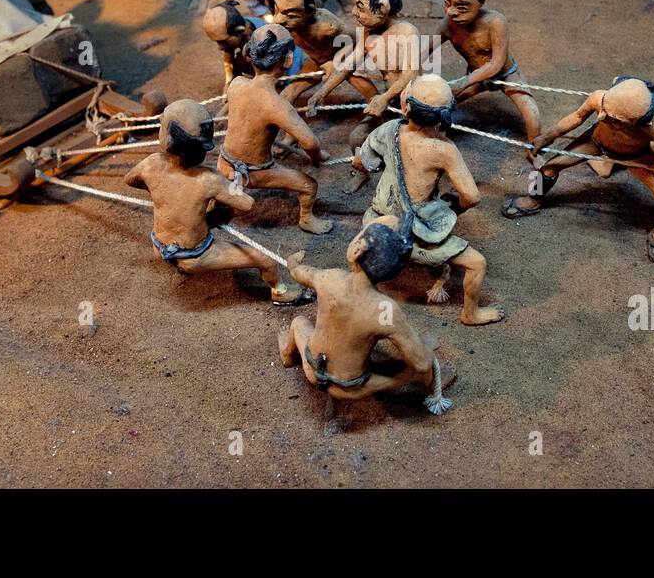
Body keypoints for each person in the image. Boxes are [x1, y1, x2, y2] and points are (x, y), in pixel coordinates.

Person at [124, 98, 311, 306]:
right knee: (265, 260)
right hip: (195, 257)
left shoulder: (151, 164)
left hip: (158, 247)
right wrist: (233, 183)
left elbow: (130, 180)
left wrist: (161, 192)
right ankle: (279, 291)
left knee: (203, 214)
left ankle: (180, 253)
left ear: (168, 138)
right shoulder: (209, 179)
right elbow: (247, 204)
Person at [353, 75, 505, 325]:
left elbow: (363, 162)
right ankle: (470, 313)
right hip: (416, 235)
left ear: (406, 106)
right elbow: (471, 196)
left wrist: (364, 161)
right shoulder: (444, 150)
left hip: (377, 223)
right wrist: (451, 207)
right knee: (477, 264)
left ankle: (362, 297)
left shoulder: (388, 129)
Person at [503, 77, 654, 265]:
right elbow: (577, 116)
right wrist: (549, 136)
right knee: (549, 168)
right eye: (604, 111)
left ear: (638, 121)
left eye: (614, 118)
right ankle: (534, 199)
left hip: (635, 156)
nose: (601, 116)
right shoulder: (600, 98)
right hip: (594, 142)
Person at [280, 217, 455, 413]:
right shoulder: (384, 309)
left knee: (299, 322)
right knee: (417, 372)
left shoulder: (329, 278)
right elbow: (422, 363)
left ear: (357, 251)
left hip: (313, 369)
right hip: (350, 387)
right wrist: (426, 347)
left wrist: (292, 262)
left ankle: (287, 356)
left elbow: (296, 272)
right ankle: (419, 384)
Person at [217, 24, 333, 235]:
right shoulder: (276, 105)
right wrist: (317, 156)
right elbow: (310, 143)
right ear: (288, 60)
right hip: (252, 174)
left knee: (221, 187)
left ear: (248, 54)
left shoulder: (236, 84)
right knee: (309, 185)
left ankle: (218, 201)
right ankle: (306, 219)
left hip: (224, 164)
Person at [306, 0, 421, 152]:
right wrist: (321, 92)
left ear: (383, 7)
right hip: (390, 100)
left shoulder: (407, 33)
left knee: (405, 147)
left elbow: (410, 75)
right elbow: (349, 64)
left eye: (360, 8)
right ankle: (363, 173)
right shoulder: (367, 30)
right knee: (357, 138)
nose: (353, 13)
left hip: (415, 102)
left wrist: (384, 98)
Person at [433, 0, 540, 142]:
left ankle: (535, 153)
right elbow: (421, 51)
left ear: (481, 2)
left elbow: (496, 63)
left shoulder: (496, 22)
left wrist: (463, 82)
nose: (452, 12)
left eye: (462, 7)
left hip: (507, 74)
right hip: (476, 75)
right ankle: (435, 136)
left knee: (533, 117)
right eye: (447, 3)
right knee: (439, 104)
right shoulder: (447, 25)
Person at [272, 0, 379, 109]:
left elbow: (357, 43)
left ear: (309, 11)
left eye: (291, 16)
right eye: (276, 10)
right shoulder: (285, 26)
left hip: (343, 60)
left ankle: (383, 118)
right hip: (317, 60)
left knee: (374, 98)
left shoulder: (327, 27)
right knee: (287, 94)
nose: (277, 20)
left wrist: (335, 63)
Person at [202, 0, 307, 92]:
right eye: (218, 42)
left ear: (240, 31)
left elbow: (286, 54)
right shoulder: (236, 31)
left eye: (224, 41)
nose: (219, 47)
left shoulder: (261, 34)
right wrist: (228, 82)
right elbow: (228, 58)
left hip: (289, 59)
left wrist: (284, 82)